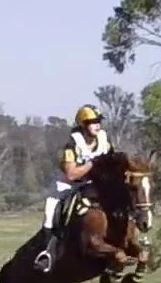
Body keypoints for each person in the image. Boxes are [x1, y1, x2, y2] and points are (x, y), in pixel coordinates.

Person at [33, 104, 113, 271]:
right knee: (50, 212)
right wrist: (93, 164)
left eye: (99, 121)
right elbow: (71, 174)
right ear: (83, 125)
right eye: (92, 121)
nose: (97, 125)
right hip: (67, 185)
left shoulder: (104, 139)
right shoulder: (73, 143)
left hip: (93, 184)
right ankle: (46, 254)